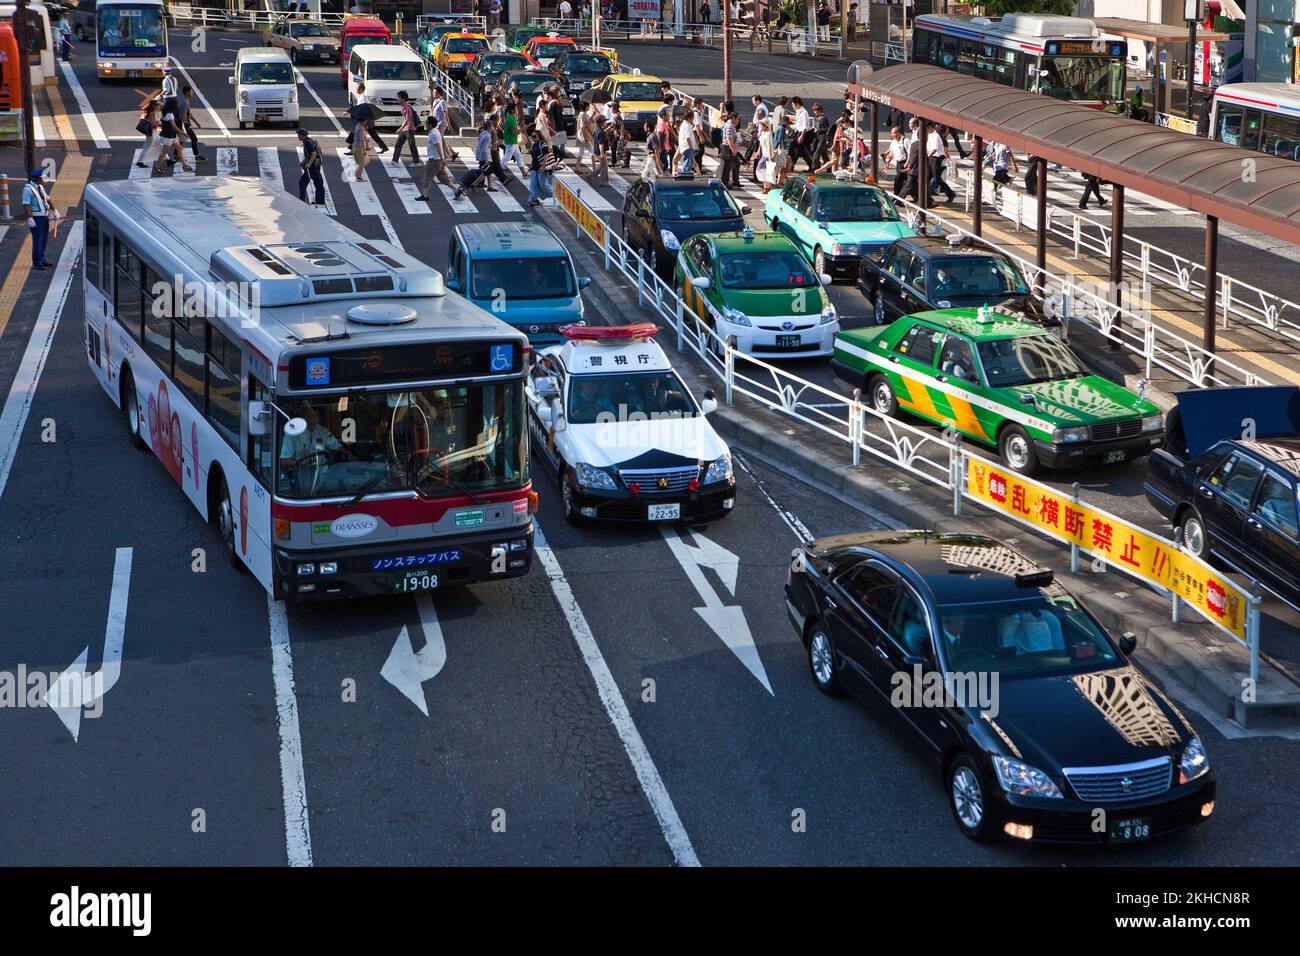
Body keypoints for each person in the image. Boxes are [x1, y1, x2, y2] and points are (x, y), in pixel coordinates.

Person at [417, 116, 457, 201]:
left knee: (427, 178)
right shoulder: (435, 131)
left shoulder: (433, 134)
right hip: (438, 160)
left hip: (434, 160)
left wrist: (442, 160)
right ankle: (456, 190)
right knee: (443, 178)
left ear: (430, 125)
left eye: (427, 123)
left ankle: (425, 195)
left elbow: (438, 147)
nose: (425, 124)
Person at [22, 170, 53, 270]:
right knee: (37, 240)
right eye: (43, 178)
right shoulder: (27, 189)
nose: (44, 179)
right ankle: (37, 262)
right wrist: (30, 218)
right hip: (37, 217)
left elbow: (47, 199)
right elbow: (26, 205)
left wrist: (54, 210)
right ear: (38, 179)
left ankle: (42, 258)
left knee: (43, 239)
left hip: (44, 216)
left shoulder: (40, 187)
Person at [346, 83, 387, 153]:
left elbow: (365, 110)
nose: (356, 90)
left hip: (365, 120)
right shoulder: (361, 97)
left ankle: (351, 148)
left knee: (355, 132)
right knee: (372, 134)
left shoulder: (363, 98)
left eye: (358, 89)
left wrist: (365, 123)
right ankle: (383, 146)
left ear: (362, 89)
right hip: (365, 119)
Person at [155, 102, 192, 173]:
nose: (176, 108)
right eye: (175, 107)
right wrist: (184, 133)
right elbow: (174, 127)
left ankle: (184, 165)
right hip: (168, 136)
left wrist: (165, 127)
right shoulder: (170, 115)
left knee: (179, 148)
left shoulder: (164, 113)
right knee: (163, 152)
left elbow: (160, 122)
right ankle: (157, 167)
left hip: (170, 135)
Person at [527, 122, 557, 206]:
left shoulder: (542, 144)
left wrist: (542, 166)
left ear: (539, 137)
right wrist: (531, 165)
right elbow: (534, 157)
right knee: (533, 185)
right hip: (534, 168)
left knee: (543, 186)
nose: (533, 138)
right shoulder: (534, 145)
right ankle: (532, 200)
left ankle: (557, 195)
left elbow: (546, 155)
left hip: (541, 168)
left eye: (534, 136)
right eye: (532, 136)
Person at [176, 84, 205, 164]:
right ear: (186, 92)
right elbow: (183, 116)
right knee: (194, 139)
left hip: (184, 124)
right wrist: (186, 126)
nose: (192, 93)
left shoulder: (186, 102)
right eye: (191, 91)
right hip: (184, 124)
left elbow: (189, 114)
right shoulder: (185, 103)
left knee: (181, 140)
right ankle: (197, 156)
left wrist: (197, 123)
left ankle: (176, 155)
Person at [297, 128, 326, 204]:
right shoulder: (309, 140)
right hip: (316, 165)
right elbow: (309, 155)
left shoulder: (307, 143)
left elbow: (313, 154)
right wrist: (303, 162)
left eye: (299, 135)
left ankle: (301, 200)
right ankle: (320, 200)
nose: (298, 136)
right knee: (318, 183)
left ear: (303, 135)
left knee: (302, 182)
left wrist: (309, 164)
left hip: (313, 167)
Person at [391, 91, 422, 164]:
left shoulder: (407, 107)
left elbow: (408, 119)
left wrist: (400, 128)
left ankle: (416, 162)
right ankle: (394, 161)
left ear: (403, 98)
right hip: (405, 129)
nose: (397, 99)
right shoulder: (404, 106)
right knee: (398, 144)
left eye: (398, 97)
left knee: (412, 145)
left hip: (409, 129)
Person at [927, 123, 954, 203]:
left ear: (930, 127)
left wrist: (927, 156)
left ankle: (950, 194)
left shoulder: (936, 136)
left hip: (936, 158)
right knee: (928, 177)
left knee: (937, 178)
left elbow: (935, 149)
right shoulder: (930, 135)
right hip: (932, 157)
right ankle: (927, 195)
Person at [136, 99, 161, 169]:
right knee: (147, 147)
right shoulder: (152, 113)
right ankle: (140, 161)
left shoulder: (153, 112)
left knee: (160, 145)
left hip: (154, 133)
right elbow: (153, 125)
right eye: (158, 105)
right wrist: (160, 123)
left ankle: (166, 159)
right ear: (154, 106)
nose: (160, 106)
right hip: (152, 133)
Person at [501, 103, 526, 174]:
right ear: (512, 110)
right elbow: (515, 132)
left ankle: (524, 172)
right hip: (511, 140)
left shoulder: (509, 117)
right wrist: (523, 128)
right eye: (516, 109)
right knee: (507, 157)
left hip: (511, 140)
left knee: (518, 156)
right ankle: (499, 171)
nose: (517, 110)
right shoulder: (511, 119)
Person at [719, 110, 740, 188]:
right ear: (733, 118)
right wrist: (733, 149)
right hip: (728, 148)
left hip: (729, 148)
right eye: (738, 118)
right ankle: (725, 183)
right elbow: (729, 139)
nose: (738, 120)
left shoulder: (731, 125)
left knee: (733, 164)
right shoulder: (729, 126)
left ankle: (734, 182)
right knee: (727, 166)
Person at [886, 125, 907, 196]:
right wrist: (888, 159)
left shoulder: (905, 141)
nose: (893, 135)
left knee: (898, 180)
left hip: (904, 164)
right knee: (905, 182)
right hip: (898, 164)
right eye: (892, 133)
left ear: (899, 133)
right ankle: (915, 196)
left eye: (894, 133)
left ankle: (896, 197)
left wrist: (907, 163)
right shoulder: (893, 142)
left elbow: (910, 153)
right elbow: (892, 152)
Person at [675, 109, 698, 175]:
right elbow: (687, 138)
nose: (693, 118)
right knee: (687, 165)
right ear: (689, 118)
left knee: (688, 164)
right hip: (687, 147)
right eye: (692, 117)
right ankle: (685, 178)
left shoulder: (684, 125)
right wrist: (691, 147)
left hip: (685, 147)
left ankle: (686, 177)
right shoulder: (687, 126)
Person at [756, 118, 776, 194]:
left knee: (764, 170)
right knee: (765, 171)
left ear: (766, 126)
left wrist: (770, 157)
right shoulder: (763, 133)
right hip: (764, 154)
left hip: (767, 155)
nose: (760, 126)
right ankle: (766, 187)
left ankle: (768, 187)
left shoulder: (768, 135)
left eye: (761, 125)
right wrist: (758, 152)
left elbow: (769, 146)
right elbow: (761, 145)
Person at [590, 114, 610, 185]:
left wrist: (608, 129)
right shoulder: (601, 132)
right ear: (601, 122)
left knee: (602, 166)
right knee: (604, 166)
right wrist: (602, 154)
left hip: (596, 150)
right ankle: (604, 181)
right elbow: (601, 144)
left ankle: (591, 176)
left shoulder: (597, 130)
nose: (606, 123)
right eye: (605, 121)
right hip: (600, 152)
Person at [574, 101, 594, 170]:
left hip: (581, 134)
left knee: (581, 151)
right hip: (583, 135)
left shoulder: (581, 114)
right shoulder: (583, 115)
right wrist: (590, 122)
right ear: (586, 107)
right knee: (592, 150)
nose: (589, 107)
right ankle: (594, 168)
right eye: (588, 106)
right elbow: (583, 126)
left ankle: (577, 167)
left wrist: (591, 118)